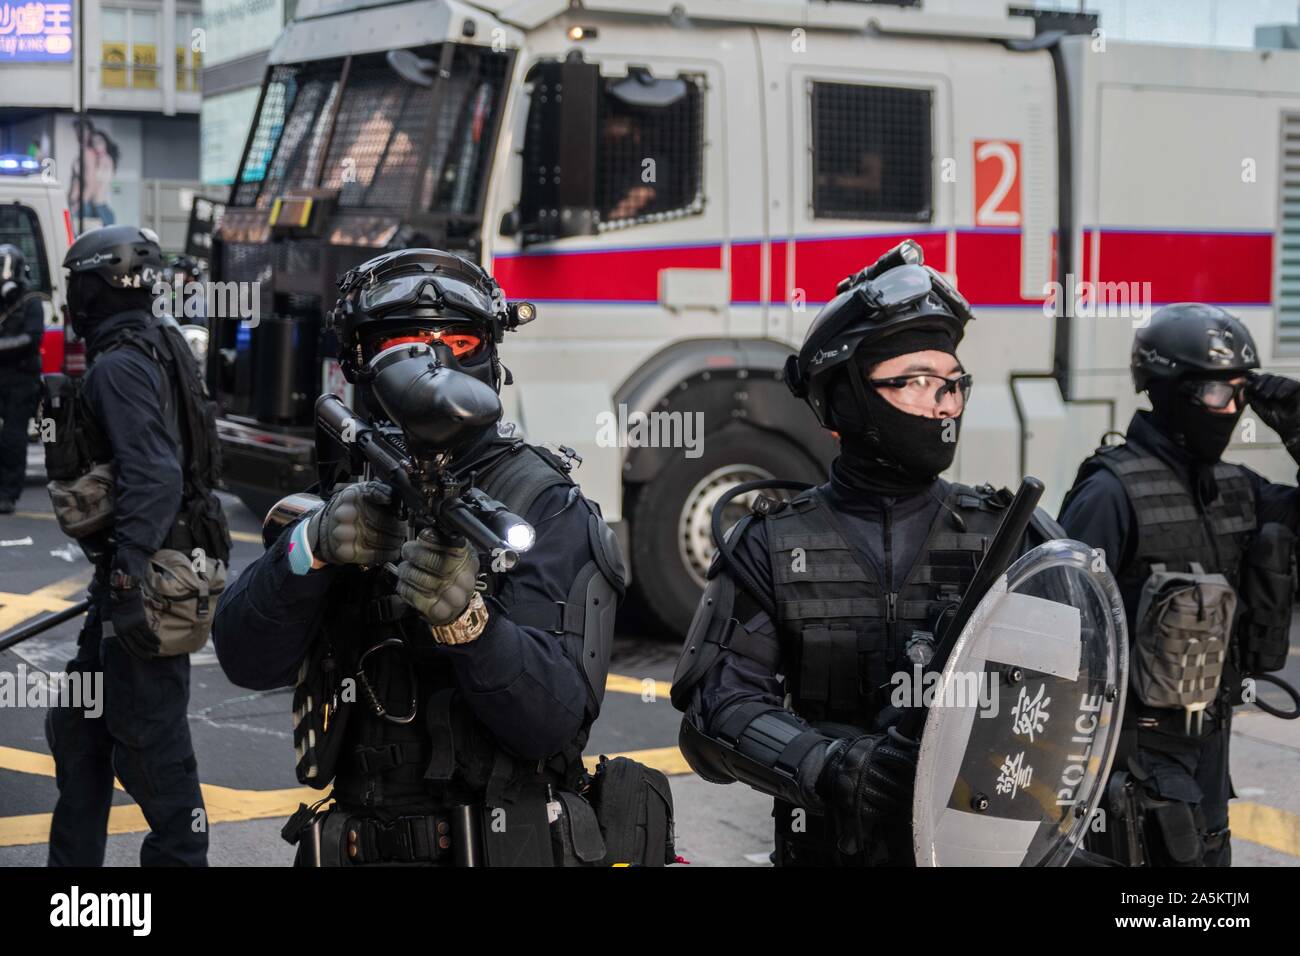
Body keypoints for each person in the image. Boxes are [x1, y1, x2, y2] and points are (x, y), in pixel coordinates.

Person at [211, 249, 641, 867]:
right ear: (362, 363)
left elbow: (553, 721)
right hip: (356, 842)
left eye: (457, 342)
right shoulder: (344, 494)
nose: (433, 361)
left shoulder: (540, 505)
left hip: (495, 844)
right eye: (403, 344)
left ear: (490, 355)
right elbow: (245, 658)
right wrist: (309, 551)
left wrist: (470, 624)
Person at [670, 241, 1061, 866]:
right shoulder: (771, 543)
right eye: (917, 381)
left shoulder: (1012, 536)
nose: (946, 402)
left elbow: (1073, 714)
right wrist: (831, 766)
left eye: (954, 382)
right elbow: (718, 712)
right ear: (847, 399)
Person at [1058, 303, 1300, 867]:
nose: (1233, 409)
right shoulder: (1110, 493)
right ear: (1170, 391)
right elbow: (1059, 628)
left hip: (1210, 751)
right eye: (1220, 394)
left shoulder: (1240, 488)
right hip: (1131, 758)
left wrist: (1295, 417)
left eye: (1243, 393)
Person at [44, 225, 229, 867]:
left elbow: (156, 474)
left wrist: (126, 580)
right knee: (79, 730)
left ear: (96, 285)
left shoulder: (120, 365)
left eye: (76, 284)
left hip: (147, 580)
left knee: (153, 751)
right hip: (151, 572)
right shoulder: (162, 343)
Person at [0, 244, 44, 513]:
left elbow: (32, 338)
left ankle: (8, 493)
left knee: (13, 438)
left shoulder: (31, 301)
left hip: (21, 380)